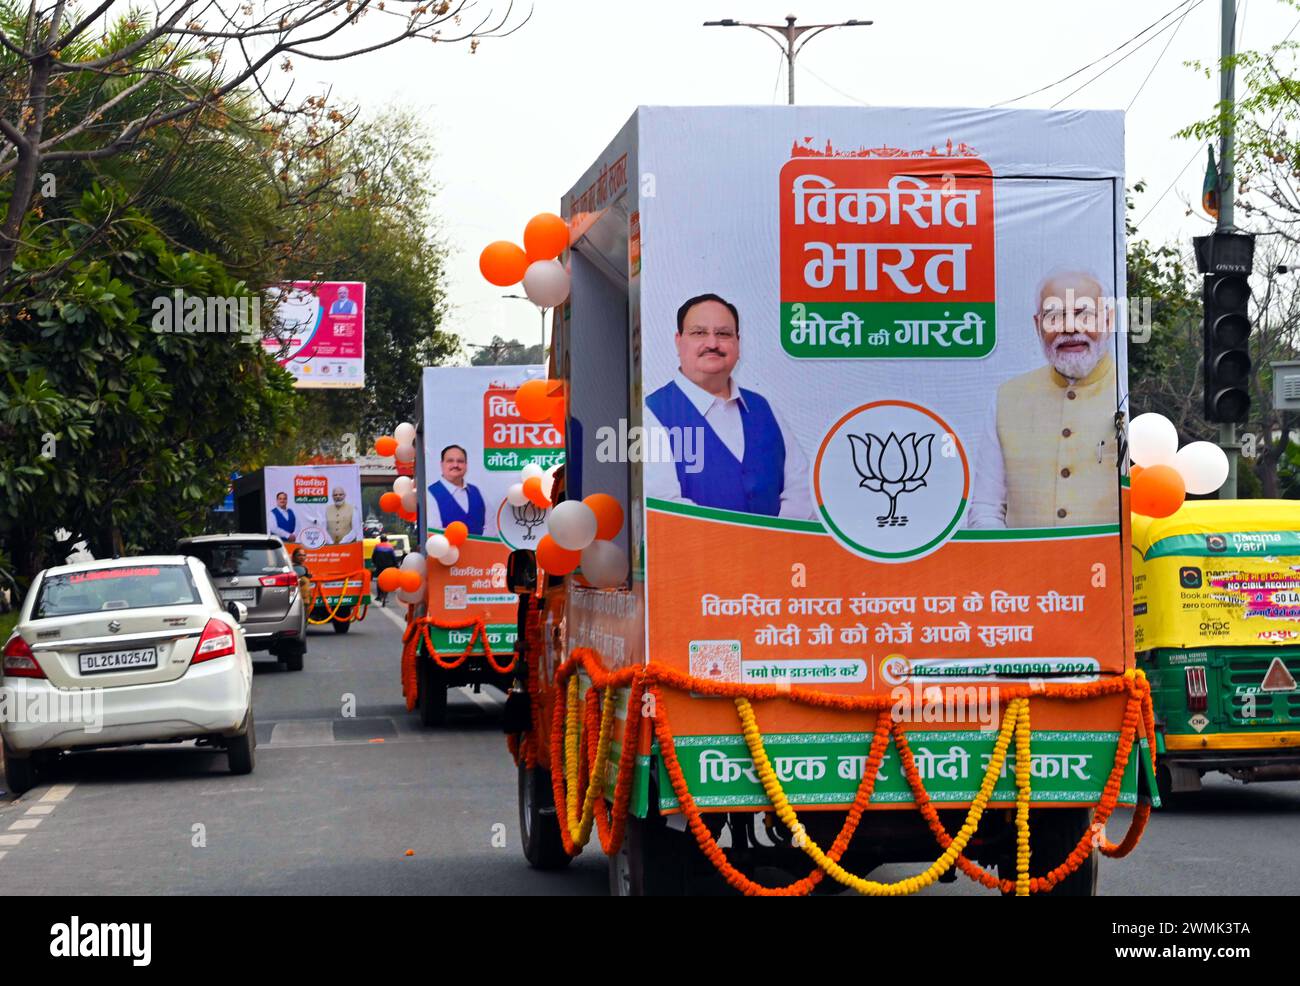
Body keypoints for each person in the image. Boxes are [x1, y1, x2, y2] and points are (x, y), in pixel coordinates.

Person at [968, 270, 1120, 529]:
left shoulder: (1127, 395)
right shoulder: (1008, 397)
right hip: (1025, 567)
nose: (1070, 327)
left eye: (1084, 313)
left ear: (1107, 320)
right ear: (1037, 325)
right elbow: (986, 507)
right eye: (1054, 316)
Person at [644, 293, 812, 518]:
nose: (712, 343)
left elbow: (802, 490)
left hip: (775, 552)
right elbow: (666, 508)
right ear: (679, 341)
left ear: (737, 343)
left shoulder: (764, 409)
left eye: (723, 334)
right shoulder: (650, 414)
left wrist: (774, 545)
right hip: (697, 553)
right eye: (699, 333)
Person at [428, 444, 486, 536]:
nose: (455, 465)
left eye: (460, 461)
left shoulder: (476, 491)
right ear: (442, 464)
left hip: (481, 549)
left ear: (466, 465)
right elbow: (434, 533)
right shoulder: (430, 493)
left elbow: (490, 525)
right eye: (450, 461)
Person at [371, 535, 398, 607]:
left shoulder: (377, 546)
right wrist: (396, 565)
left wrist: (374, 563)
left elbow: (373, 556)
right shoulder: (390, 546)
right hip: (388, 567)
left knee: (379, 580)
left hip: (379, 566)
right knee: (388, 580)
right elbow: (393, 557)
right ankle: (386, 595)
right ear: (386, 540)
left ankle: (379, 596)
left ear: (380, 540)